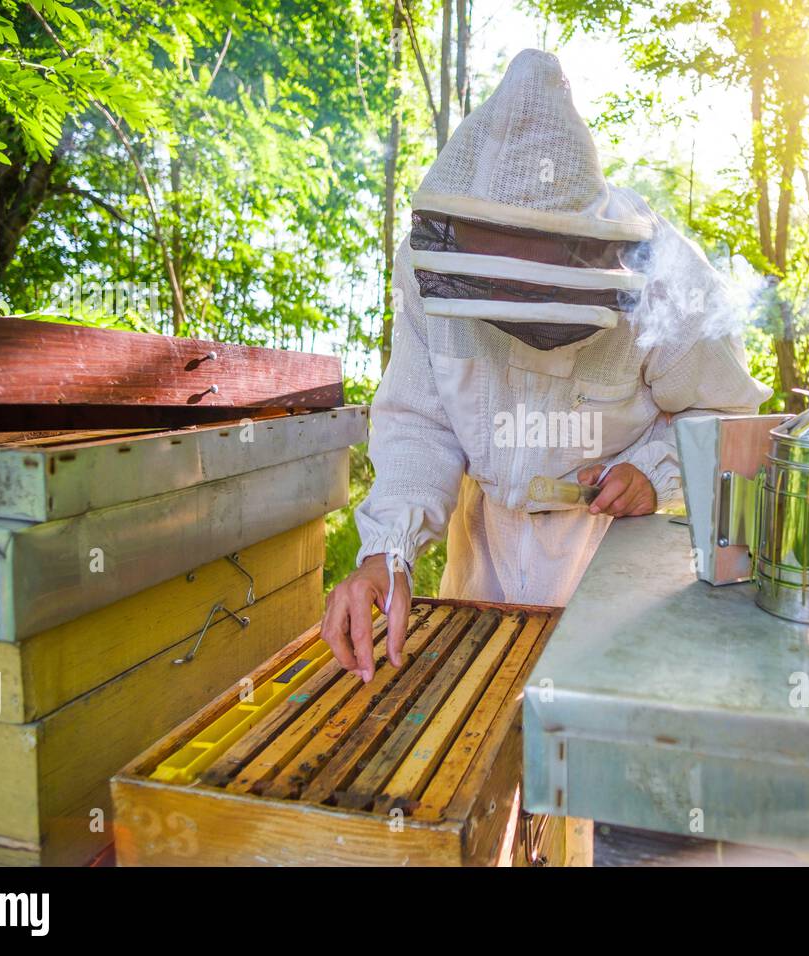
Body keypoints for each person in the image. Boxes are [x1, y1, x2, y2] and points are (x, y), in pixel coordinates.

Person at [322, 49, 770, 679]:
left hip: (611, 550)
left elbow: (726, 415)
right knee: (478, 731)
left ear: (583, 241)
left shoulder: (664, 275)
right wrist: (386, 554)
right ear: (468, 229)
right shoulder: (429, 272)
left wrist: (653, 473)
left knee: (591, 742)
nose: (518, 297)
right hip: (484, 552)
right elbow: (420, 424)